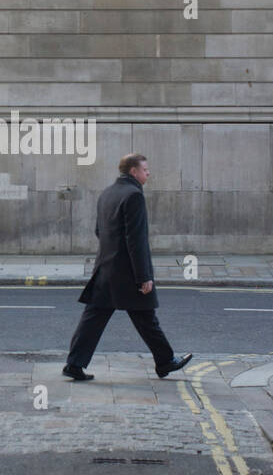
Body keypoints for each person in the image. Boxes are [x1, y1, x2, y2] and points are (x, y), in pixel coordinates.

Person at [63, 154, 192, 381]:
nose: (148, 173)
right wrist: (144, 276)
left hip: (105, 268)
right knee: (145, 317)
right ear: (133, 171)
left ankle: (74, 364)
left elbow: (98, 232)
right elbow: (137, 239)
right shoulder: (134, 195)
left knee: (94, 318)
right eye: (145, 169)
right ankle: (165, 361)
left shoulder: (107, 193)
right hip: (127, 273)